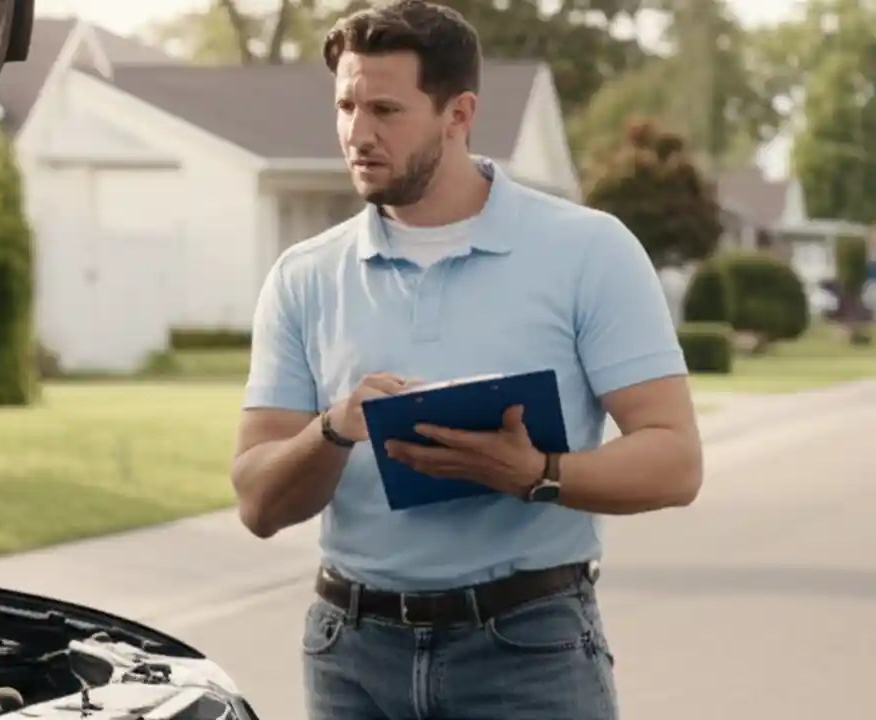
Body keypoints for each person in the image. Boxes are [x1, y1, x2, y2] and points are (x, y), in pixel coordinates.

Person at [228, 1, 703, 718]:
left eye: (386, 108)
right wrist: (334, 427)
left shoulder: (588, 251)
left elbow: (675, 460)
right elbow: (258, 502)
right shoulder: (305, 276)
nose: (358, 133)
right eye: (347, 105)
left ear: (459, 114)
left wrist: (536, 474)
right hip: (350, 655)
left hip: (528, 649)